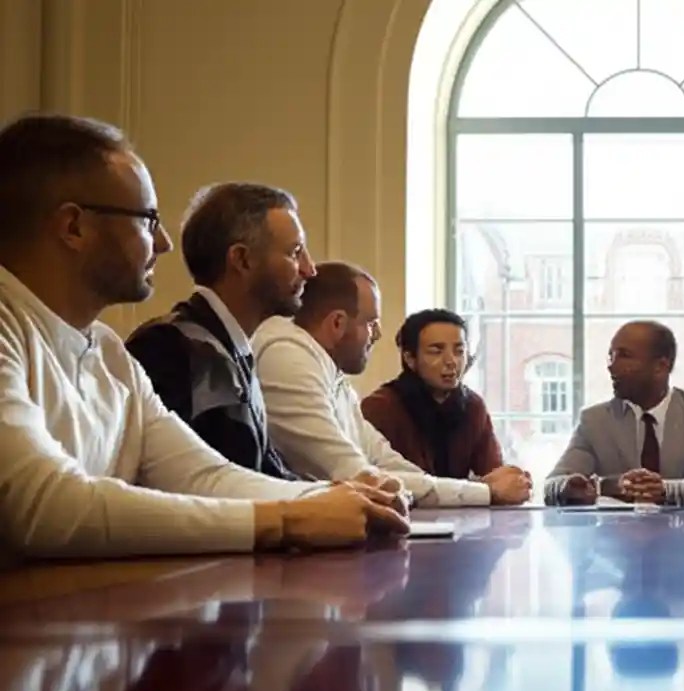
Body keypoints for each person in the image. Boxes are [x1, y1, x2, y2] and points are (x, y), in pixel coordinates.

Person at [0, 114, 407, 564]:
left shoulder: (110, 354)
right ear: (74, 227)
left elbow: (203, 475)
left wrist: (336, 498)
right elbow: (43, 507)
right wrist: (287, 520)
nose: (164, 243)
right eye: (147, 219)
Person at [252, 262, 532, 507]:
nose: (379, 334)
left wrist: (485, 488)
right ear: (337, 323)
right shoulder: (288, 357)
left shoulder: (334, 379)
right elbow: (363, 477)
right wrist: (484, 491)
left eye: (459, 350)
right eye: (372, 323)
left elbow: (381, 458)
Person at [126, 182, 316, 480]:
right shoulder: (168, 348)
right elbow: (204, 486)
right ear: (242, 259)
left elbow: (267, 474)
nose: (309, 269)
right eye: (295, 252)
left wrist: (346, 493)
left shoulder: (232, 347)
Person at [544, 320, 684, 507]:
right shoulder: (594, 421)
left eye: (624, 356)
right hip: (615, 545)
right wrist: (581, 488)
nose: (611, 366)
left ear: (661, 367)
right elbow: (552, 484)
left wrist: (667, 491)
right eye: (611, 356)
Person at [361, 308, 503, 478]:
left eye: (459, 351)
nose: (451, 361)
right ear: (410, 359)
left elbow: (495, 474)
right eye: (436, 351)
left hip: (460, 502)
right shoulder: (380, 407)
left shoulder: (473, 406)